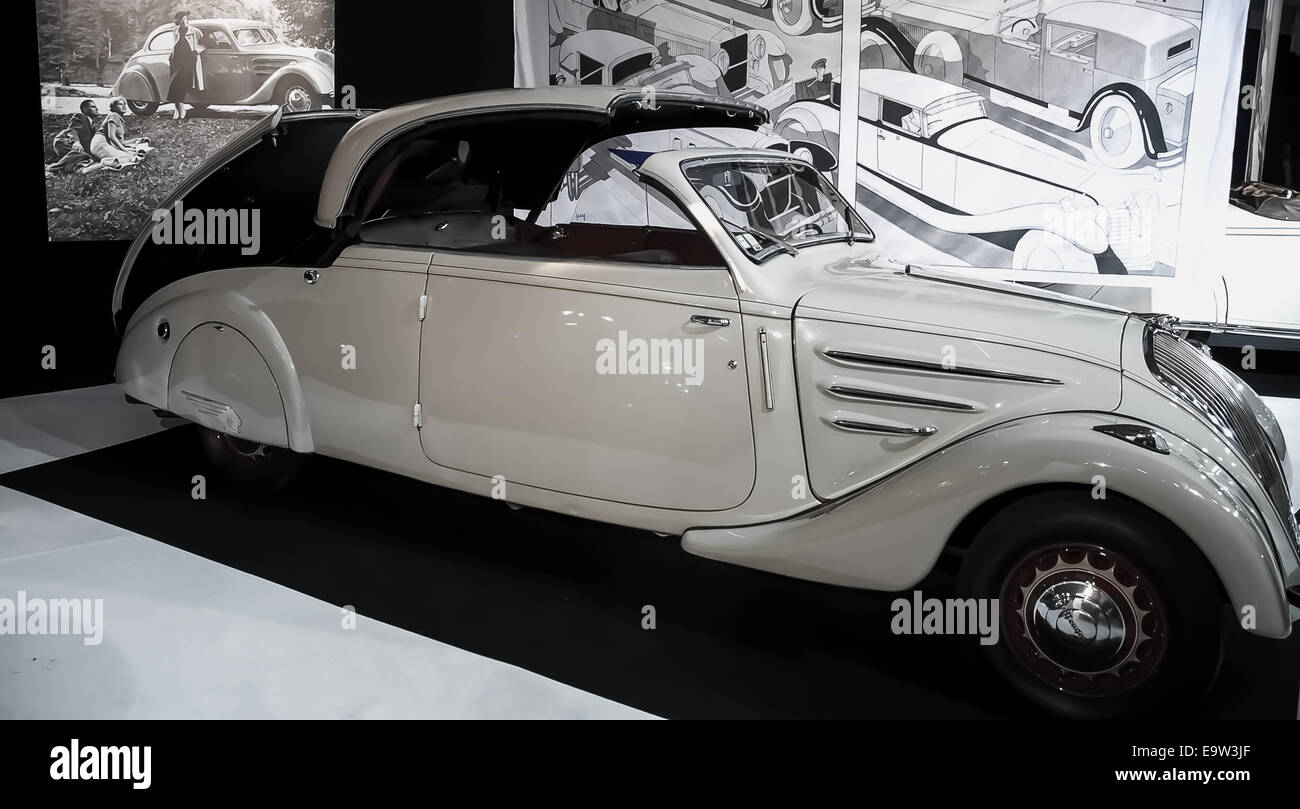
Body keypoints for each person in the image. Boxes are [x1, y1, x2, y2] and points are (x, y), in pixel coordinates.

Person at [86, 98, 150, 169]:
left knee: (132, 154)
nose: (124, 106)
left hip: (104, 144)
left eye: (124, 104)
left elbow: (121, 142)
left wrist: (138, 140)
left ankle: (107, 161)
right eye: (120, 104)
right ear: (114, 107)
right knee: (128, 157)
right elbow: (111, 136)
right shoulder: (114, 115)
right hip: (100, 145)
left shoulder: (118, 118)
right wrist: (124, 150)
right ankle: (89, 169)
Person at [166, 10, 205, 121]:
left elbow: (205, 43)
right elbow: (174, 46)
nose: (184, 21)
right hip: (176, 61)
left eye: (185, 19)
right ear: (178, 21)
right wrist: (170, 56)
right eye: (181, 19)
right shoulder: (175, 31)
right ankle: (178, 108)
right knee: (173, 84)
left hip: (188, 61)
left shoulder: (195, 31)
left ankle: (181, 108)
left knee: (180, 83)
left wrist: (196, 51)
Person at [45, 99, 98, 175]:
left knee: (86, 158)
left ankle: (59, 168)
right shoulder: (80, 116)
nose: (97, 109)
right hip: (64, 141)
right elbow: (72, 130)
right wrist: (75, 142)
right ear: (85, 109)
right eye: (93, 107)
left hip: (75, 148)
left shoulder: (92, 124)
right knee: (83, 155)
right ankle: (50, 169)